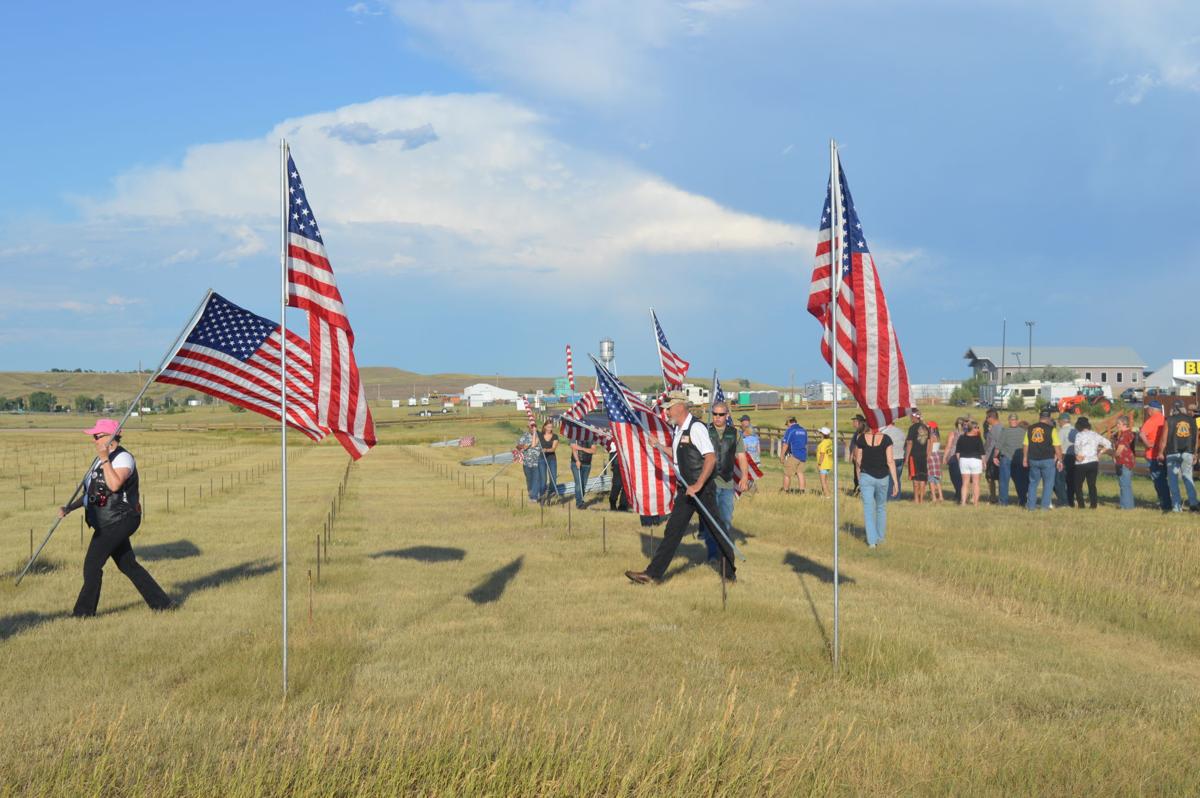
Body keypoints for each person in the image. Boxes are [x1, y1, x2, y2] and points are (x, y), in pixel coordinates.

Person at [58, 419, 172, 616]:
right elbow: (93, 493)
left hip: (120, 519)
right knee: (128, 564)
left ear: (109, 437)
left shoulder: (123, 458)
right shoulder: (101, 459)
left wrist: (104, 459)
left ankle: (83, 614)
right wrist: (70, 507)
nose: (93, 440)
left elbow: (114, 485)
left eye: (97, 436)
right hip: (106, 519)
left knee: (92, 565)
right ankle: (162, 604)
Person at [626, 392, 736, 585]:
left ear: (679, 407)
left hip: (701, 490)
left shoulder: (696, 428)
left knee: (716, 530)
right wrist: (659, 446)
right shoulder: (678, 430)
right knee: (673, 530)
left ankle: (729, 574)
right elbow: (677, 455)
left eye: (669, 408)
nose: (666, 412)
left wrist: (698, 484)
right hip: (686, 491)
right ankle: (652, 575)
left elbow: (710, 458)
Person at [698, 401, 750, 562]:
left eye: (721, 414)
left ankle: (723, 552)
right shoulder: (705, 432)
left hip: (727, 484)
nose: (718, 417)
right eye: (715, 414)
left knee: (726, 519)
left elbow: (741, 457)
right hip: (710, 483)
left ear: (727, 416)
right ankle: (713, 554)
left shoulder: (735, 434)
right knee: (710, 520)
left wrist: (745, 476)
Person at [852, 425, 899, 548]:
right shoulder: (887, 439)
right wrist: (895, 482)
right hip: (883, 477)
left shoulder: (861, 438)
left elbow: (858, 459)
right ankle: (880, 538)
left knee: (868, 509)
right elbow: (890, 461)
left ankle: (872, 542)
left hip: (866, 476)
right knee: (881, 508)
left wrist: (858, 477)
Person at [1022, 408, 1062, 511]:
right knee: (1048, 484)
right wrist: (1060, 460)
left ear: (1040, 417)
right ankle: (1044, 507)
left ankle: (1031, 507)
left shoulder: (1030, 429)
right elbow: (1057, 446)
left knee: (1033, 483)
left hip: (1033, 459)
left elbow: (1026, 445)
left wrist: (1025, 458)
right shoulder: (1052, 429)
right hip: (1047, 459)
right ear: (1048, 418)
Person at [1163, 401, 1198, 512]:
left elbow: (1164, 439)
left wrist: (1160, 452)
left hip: (1172, 452)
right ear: (1183, 408)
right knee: (1188, 478)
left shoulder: (1169, 420)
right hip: (1188, 452)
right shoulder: (1192, 421)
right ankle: (1193, 502)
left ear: (1174, 409)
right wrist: (1195, 453)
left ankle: (1177, 507)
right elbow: (1196, 438)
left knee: (1173, 480)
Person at [986, 413, 1028, 506]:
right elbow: (1026, 445)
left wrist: (994, 457)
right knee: (1020, 480)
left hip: (1006, 458)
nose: (1013, 421)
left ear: (1010, 421)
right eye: (1013, 420)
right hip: (1019, 458)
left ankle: (1003, 502)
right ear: (1016, 421)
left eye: (1013, 420)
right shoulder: (1023, 431)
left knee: (1004, 481)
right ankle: (1022, 500)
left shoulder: (1005, 431)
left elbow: (998, 446)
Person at [1071, 417, 1111, 509]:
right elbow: (1108, 443)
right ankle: (1093, 505)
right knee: (1092, 484)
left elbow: (1076, 447)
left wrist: (1077, 455)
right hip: (1093, 462)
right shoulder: (1095, 434)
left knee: (1078, 484)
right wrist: (1100, 453)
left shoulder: (1079, 435)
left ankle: (1081, 505)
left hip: (1081, 463)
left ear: (1078, 425)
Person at [1139, 400, 1171, 512]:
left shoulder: (1151, 420)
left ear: (1152, 410)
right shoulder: (1164, 419)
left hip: (1153, 455)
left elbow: (1142, 432)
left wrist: (1147, 443)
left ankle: (1165, 503)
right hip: (1164, 454)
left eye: (1148, 409)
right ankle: (1167, 501)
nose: (1147, 411)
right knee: (1164, 480)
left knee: (1158, 480)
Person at [955, 420, 986, 506]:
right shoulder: (978, 438)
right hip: (975, 460)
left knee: (965, 483)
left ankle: (963, 502)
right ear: (972, 429)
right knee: (976, 483)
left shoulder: (961, 437)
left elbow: (957, 452)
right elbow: (982, 452)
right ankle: (976, 503)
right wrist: (984, 463)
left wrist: (959, 462)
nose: (978, 429)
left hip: (963, 460)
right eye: (976, 428)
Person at [904, 409, 930, 504]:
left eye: (911, 416)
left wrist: (906, 458)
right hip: (923, 456)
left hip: (914, 456)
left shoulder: (913, 428)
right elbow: (929, 442)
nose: (910, 418)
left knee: (915, 478)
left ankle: (916, 499)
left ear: (915, 417)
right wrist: (928, 454)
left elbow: (909, 443)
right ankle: (921, 500)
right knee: (922, 478)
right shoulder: (926, 427)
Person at [1112, 416, 1137, 510]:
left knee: (1124, 485)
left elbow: (1119, 450)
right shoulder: (1130, 433)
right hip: (1129, 461)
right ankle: (1129, 506)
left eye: (1119, 424)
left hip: (1123, 461)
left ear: (1124, 424)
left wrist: (1113, 456)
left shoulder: (1124, 435)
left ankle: (1125, 507)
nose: (1117, 426)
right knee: (1127, 485)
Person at [1053, 412, 1078, 509]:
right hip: (1074, 458)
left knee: (1059, 480)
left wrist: (1056, 459)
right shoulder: (1075, 431)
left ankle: (1064, 501)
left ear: (1062, 421)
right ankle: (1070, 501)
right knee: (1070, 481)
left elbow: (1058, 447)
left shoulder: (1061, 431)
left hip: (1063, 457)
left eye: (1059, 421)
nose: (1058, 423)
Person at [538, 420, 565, 501]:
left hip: (552, 460)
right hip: (542, 459)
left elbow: (553, 449)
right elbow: (534, 444)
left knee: (553, 479)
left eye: (551, 427)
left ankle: (550, 495)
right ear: (545, 427)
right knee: (543, 480)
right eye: (548, 427)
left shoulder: (555, 436)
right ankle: (542, 496)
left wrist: (546, 450)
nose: (550, 428)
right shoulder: (540, 436)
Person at [780, 417, 808, 494]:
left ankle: (785, 491)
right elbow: (805, 443)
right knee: (800, 473)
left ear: (790, 422)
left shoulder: (790, 430)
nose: (787, 426)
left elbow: (785, 444)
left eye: (787, 424)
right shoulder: (804, 430)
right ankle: (802, 491)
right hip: (802, 455)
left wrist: (782, 456)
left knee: (787, 474)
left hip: (793, 455)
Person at [569, 437, 598, 510]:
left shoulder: (592, 437)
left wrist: (581, 448)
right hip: (576, 463)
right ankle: (579, 503)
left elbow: (594, 451)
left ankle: (580, 500)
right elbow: (574, 448)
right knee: (578, 483)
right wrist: (577, 460)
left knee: (583, 484)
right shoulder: (575, 435)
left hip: (587, 464)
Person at [942, 417, 966, 501]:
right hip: (965, 456)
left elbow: (948, 446)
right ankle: (961, 494)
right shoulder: (967, 433)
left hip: (954, 456)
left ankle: (958, 493)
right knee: (963, 477)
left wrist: (944, 457)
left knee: (954, 477)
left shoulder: (953, 433)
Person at [516, 427, 544, 501]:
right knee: (529, 479)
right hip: (527, 462)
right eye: (530, 427)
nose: (532, 429)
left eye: (533, 427)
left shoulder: (540, 435)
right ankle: (531, 493)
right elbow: (518, 445)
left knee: (537, 479)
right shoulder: (525, 435)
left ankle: (534, 497)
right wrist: (522, 446)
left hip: (537, 462)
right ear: (528, 428)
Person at [881, 421, 907, 499]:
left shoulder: (884, 432)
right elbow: (905, 444)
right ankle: (897, 497)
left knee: (889, 479)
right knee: (897, 478)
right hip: (900, 457)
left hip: (891, 458)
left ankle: (890, 498)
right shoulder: (901, 432)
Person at [739, 414, 761, 495]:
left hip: (748, 460)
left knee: (746, 475)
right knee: (751, 476)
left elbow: (743, 450)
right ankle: (752, 489)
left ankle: (751, 490)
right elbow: (759, 450)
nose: (741, 423)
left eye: (742, 421)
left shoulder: (745, 439)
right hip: (756, 460)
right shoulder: (755, 438)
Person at [983, 408, 1001, 501]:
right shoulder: (996, 428)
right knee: (993, 478)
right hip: (994, 455)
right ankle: (994, 496)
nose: (986, 420)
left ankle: (994, 497)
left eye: (987, 417)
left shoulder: (996, 429)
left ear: (991, 417)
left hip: (993, 456)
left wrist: (985, 458)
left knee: (991, 477)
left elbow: (991, 445)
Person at [848, 414, 868, 496]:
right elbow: (854, 445)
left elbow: (858, 445)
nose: (853, 423)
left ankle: (861, 489)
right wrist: (852, 454)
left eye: (855, 421)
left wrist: (856, 456)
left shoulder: (862, 433)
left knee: (861, 473)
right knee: (856, 474)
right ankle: (857, 487)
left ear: (859, 422)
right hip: (856, 458)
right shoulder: (857, 432)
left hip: (860, 458)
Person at [606, 438, 629, 511]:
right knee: (617, 484)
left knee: (627, 485)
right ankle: (612, 501)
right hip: (617, 460)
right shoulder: (615, 435)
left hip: (629, 460)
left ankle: (623, 505)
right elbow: (611, 448)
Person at [815, 426, 834, 498]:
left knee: (823, 481)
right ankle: (825, 493)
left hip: (823, 464)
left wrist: (819, 464)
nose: (819, 434)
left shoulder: (823, 443)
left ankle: (827, 495)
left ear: (823, 434)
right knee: (825, 481)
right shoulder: (829, 441)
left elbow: (822, 454)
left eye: (820, 433)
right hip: (828, 463)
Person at [927, 425, 944, 503]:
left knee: (931, 478)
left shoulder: (931, 437)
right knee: (937, 478)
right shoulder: (937, 436)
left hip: (932, 456)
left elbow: (930, 448)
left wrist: (927, 457)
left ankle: (934, 497)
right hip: (937, 456)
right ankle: (941, 496)